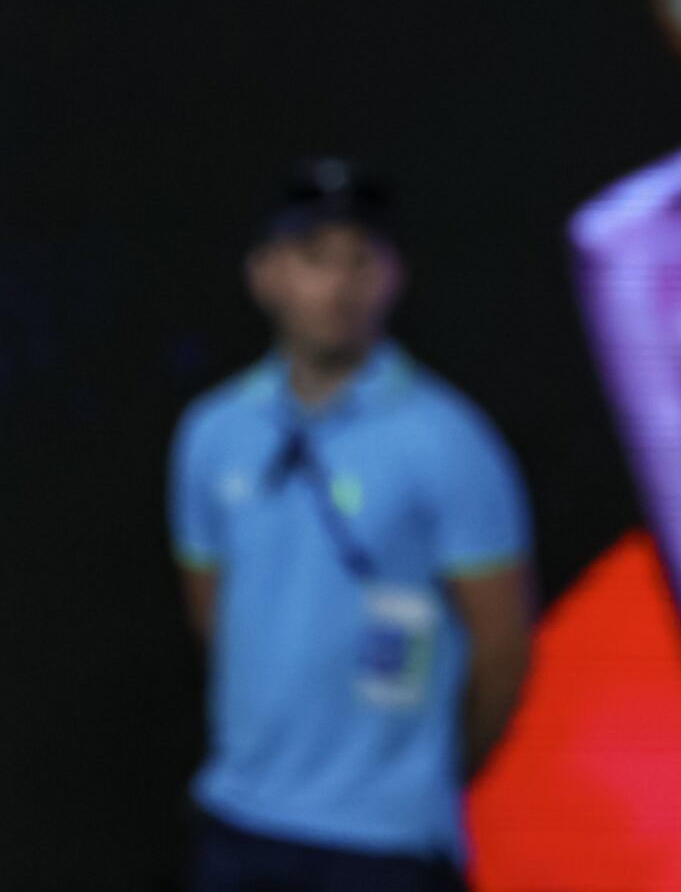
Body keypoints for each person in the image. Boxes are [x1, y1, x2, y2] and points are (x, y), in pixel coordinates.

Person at [168, 160, 533, 892]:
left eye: (359, 259)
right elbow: (216, 614)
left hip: (387, 843)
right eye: (313, 258)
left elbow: (501, 649)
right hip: (240, 818)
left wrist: (417, 776)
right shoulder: (213, 431)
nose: (337, 285)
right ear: (266, 274)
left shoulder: (449, 438)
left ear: (391, 276)